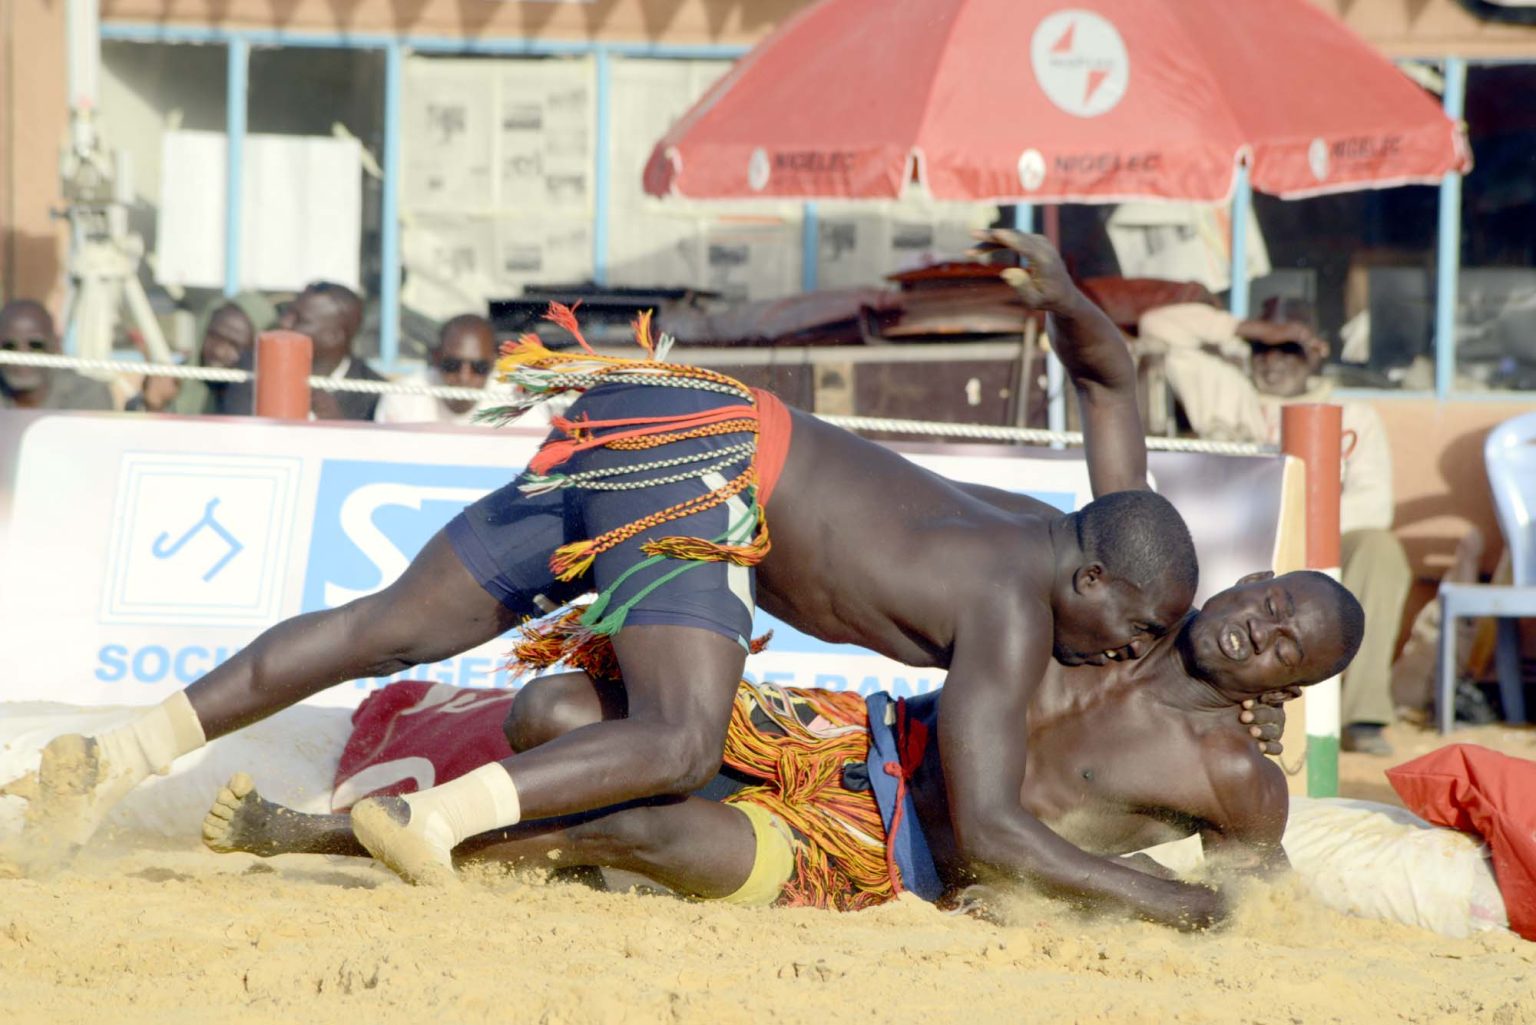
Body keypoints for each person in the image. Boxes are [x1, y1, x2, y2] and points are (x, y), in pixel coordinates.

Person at [7, 232, 1213, 928]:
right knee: (684, 740)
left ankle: (122, 749)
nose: (1128, 652)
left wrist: (1066, 300)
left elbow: (1111, 393)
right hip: (709, 458)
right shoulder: (1012, 607)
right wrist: (1167, 901)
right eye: (1136, 629)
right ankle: (435, 819)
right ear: (1097, 582)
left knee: (390, 625)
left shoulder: (1075, 530)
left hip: (649, 404)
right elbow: (994, 827)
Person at [202, 566, 1360, 914]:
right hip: (856, 728)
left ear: (1295, 681)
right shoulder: (1122, 613)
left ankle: (325, 837)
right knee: (560, 705)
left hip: (878, 851)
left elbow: (1256, 913)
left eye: (1286, 643)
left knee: (651, 830)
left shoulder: (1235, 778)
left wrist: (1122, 894)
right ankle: (459, 825)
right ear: (1248, 577)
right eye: (1271, 600)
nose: (1262, 625)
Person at [1139, 296, 1410, 755]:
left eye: (1290, 349)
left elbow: (1375, 505)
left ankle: (1362, 716)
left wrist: (1297, 525)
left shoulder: (1355, 415)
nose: (1274, 360)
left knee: (1382, 550)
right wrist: (1246, 329)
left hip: (1321, 544)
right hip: (1237, 538)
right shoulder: (1226, 387)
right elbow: (1157, 323)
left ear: (1317, 351)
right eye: (1266, 347)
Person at [374, 314, 551, 428]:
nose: (464, 376)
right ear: (436, 359)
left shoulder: (517, 401)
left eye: (479, 367)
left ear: (494, 362)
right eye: (452, 364)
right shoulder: (404, 396)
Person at [278, 281, 386, 421]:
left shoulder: (375, 394)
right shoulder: (251, 372)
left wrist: (337, 425)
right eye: (287, 312)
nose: (284, 323)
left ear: (334, 337)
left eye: (300, 320)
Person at [130, 303, 256, 416]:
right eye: (214, 336)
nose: (219, 351)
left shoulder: (265, 395)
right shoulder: (177, 379)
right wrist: (153, 406)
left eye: (234, 345)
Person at [0, 300, 114, 411]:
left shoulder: (88, 395)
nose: (22, 357)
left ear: (56, 345)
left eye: (36, 346)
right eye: (9, 347)